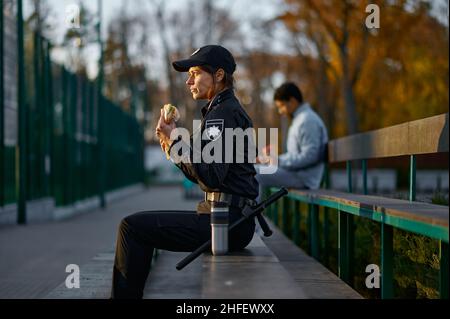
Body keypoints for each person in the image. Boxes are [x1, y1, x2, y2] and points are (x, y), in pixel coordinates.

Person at [110, 45, 259, 299]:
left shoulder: (222, 114)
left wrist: (176, 143)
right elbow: (202, 173)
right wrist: (172, 145)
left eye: (195, 73)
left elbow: (210, 175)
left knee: (132, 228)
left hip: (226, 223)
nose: (189, 81)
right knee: (135, 226)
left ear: (219, 75)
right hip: (227, 219)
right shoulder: (220, 110)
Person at [255, 82, 328, 200]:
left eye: (281, 106)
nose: (280, 111)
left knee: (254, 172)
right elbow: (295, 156)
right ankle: (250, 215)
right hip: (298, 174)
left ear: (292, 101)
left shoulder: (307, 120)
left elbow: (310, 156)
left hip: (304, 178)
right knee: (256, 168)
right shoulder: (301, 120)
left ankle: (250, 216)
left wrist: (277, 160)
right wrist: (273, 159)